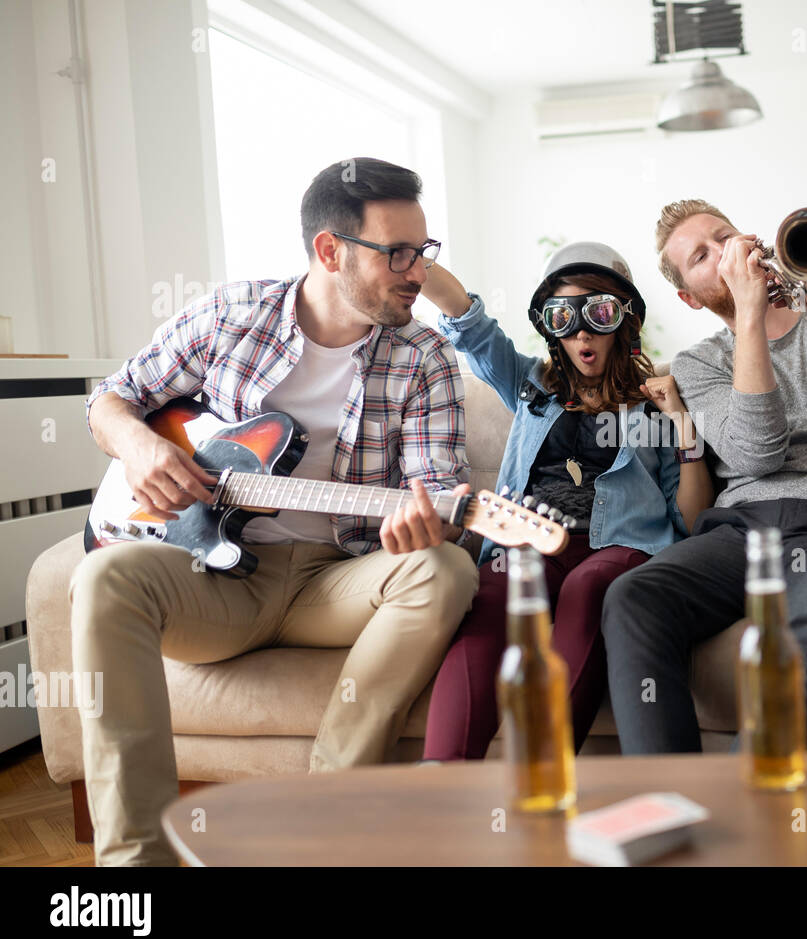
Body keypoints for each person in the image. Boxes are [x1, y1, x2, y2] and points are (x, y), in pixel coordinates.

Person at [71, 158, 480, 865]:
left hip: (333, 580)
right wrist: (139, 447)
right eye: (399, 254)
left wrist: (429, 524)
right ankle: (135, 865)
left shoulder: (427, 359)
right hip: (212, 577)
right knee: (103, 581)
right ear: (330, 251)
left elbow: (436, 486)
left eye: (424, 251)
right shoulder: (231, 314)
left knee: (442, 570)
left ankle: (323, 814)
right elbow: (111, 399)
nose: (417, 271)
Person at [600, 200, 807, 754]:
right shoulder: (699, 363)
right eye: (702, 255)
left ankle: (762, 810)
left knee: (806, 641)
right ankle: (669, 797)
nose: (723, 252)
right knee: (632, 597)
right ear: (690, 297)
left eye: (724, 236)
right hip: (742, 530)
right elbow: (759, 454)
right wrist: (748, 317)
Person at [421, 242, 712, 760]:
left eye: (598, 313)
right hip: (527, 540)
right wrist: (405, 260)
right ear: (551, 327)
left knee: (590, 584)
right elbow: (467, 321)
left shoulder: (654, 404)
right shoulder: (530, 383)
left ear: (624, 320)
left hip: (616, 548)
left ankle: (542, 772)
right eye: (564, 317)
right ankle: (437, 776)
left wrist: (684, 427)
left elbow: (688, 521)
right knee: (490, 604)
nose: (582, 332)